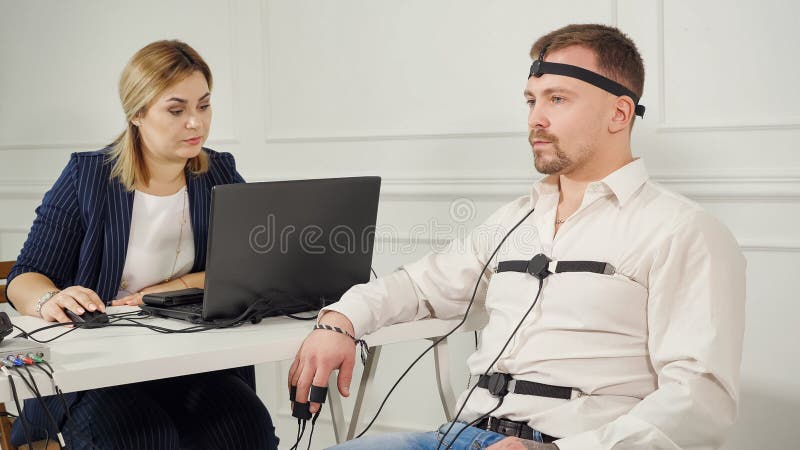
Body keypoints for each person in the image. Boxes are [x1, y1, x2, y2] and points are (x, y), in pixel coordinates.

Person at [288, 24, 746, 450]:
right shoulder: (516, 219)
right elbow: (419, 285)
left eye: (558, 99)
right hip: (456, 436)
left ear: (619, 112)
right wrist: (340, 320)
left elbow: (700, 400)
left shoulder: (682, 230)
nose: (536, 119)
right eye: (532, 100)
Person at [6, 40, 279, 450]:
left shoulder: (218, 171)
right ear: (137, 113)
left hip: (189, 361)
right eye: (176, 109)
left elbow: (250, 265)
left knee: (246, 428)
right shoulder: (88, 179)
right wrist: (49, 299)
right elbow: (21, 277)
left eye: (203, 106)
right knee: (144, 437)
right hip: (98, 369)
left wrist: (167, 290)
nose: (196, 123)